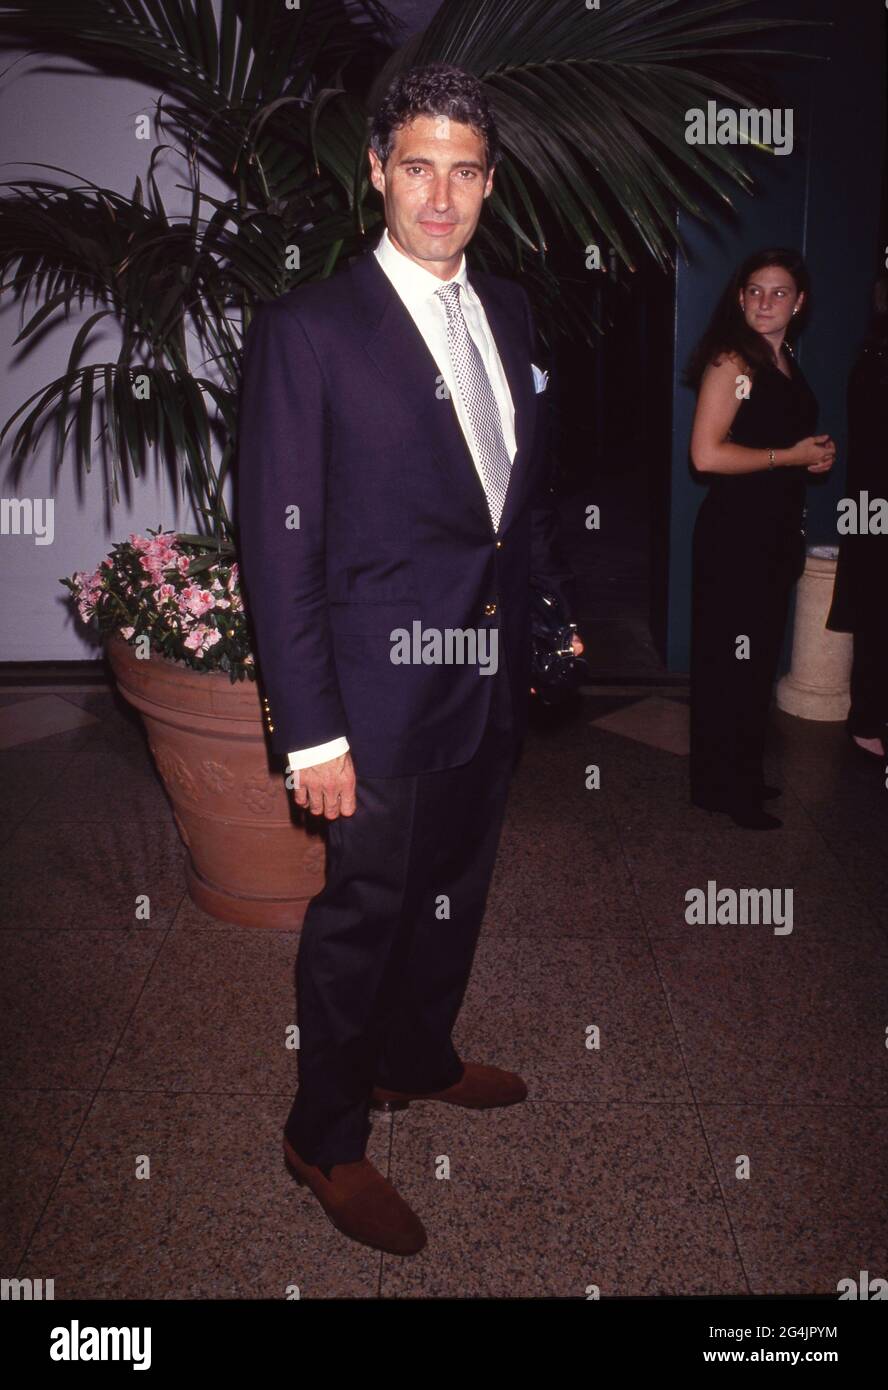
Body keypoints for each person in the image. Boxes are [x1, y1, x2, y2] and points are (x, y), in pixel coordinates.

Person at [236, 64, 582, 1256]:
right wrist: (311, 732)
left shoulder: (516, 314)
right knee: (363, 913)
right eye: (418, 166)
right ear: (377, 171)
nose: (441, 194)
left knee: (457, 888)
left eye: (466, 169)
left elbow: (514, 503)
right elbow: (278, 547)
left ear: (490, 182)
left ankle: (416, 1058)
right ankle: (323, 1131)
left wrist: (545, 617)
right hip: (372, 701)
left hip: (487, 676)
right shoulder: (310, 331)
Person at [686, 248, 835, 829]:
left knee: (752, 662)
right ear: (739, 297)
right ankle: (724, 787)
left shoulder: (782, 358)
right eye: (754, 290)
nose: (764, 302)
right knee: (731, 663)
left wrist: (810, 459)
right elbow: (705, 455)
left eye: (778, 293)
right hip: (736, 537)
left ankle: (738, 775)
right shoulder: (733, 362)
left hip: (770, 532)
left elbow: (773, 437)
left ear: (799, 304)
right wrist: (787, 457)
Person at [826, 279, 888, 764]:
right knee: (876, 610)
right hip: (876, 508)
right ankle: (868, 720)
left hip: (872, 507)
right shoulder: (876, 362)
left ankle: (869, 718)